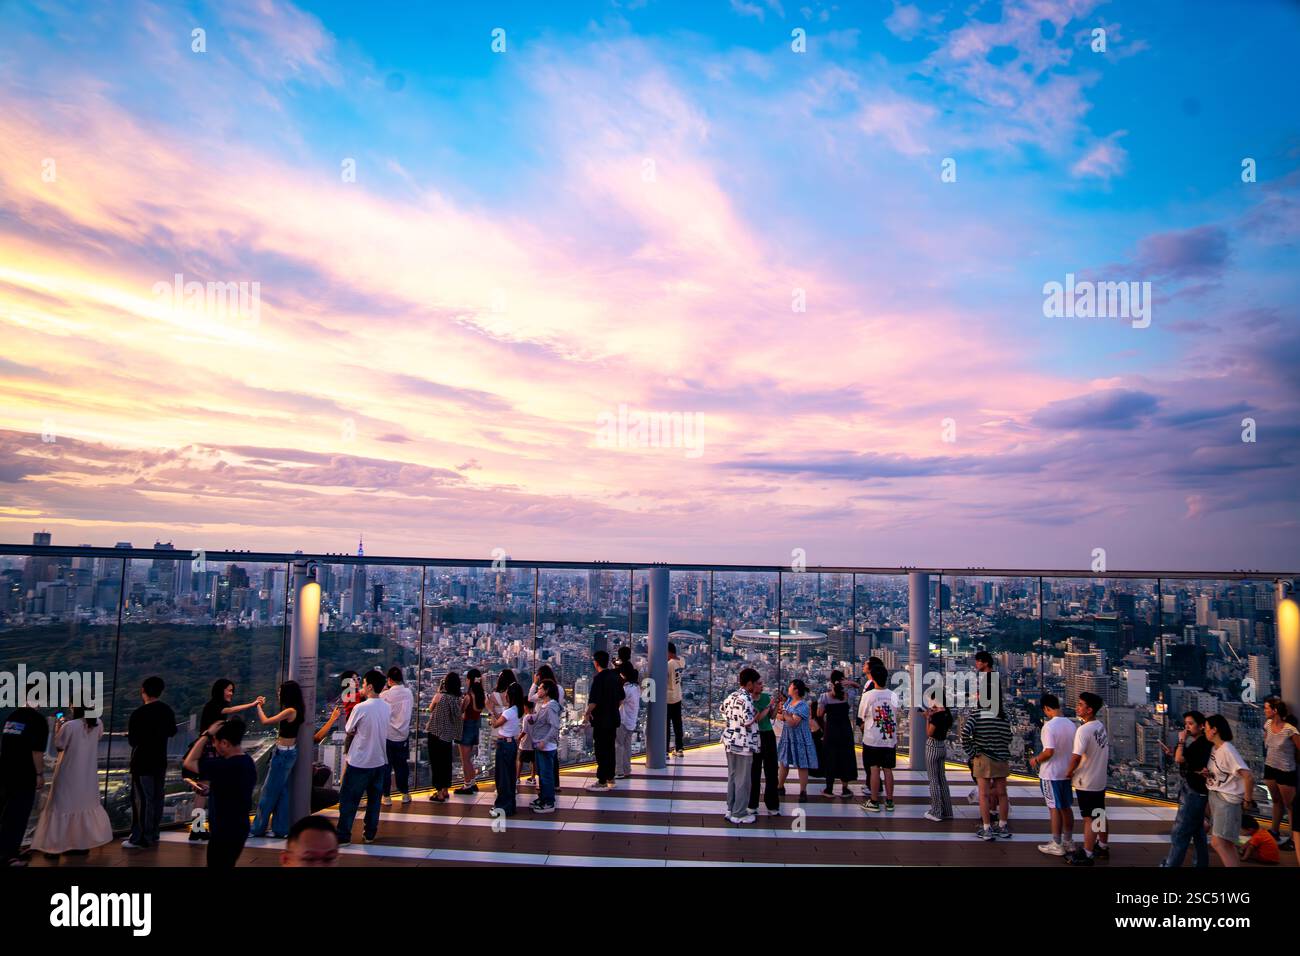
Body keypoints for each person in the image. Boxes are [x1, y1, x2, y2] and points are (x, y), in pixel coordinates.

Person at [31, 708, 112, 858]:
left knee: (60, 807)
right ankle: (79, 844)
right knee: (82, 806)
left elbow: (60, 746)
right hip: (87, 776)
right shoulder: (98, 723)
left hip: (68, 773)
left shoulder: (70, 726)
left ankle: (55, 847)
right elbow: (97, 737)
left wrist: (58, 728)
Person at [187, 679, 261, 841]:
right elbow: (232, 709)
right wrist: (253, 704)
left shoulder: (211, 706)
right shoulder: (215, 706)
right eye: (229, 690)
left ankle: (197, 829)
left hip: (207, 748)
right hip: (209, 749)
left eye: (232, 690)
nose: (231, 693)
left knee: (203, 791)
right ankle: (197, 829)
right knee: (203, 791)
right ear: (221, 690)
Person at [183, 718, 256, 868]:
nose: (214, 746)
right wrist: (211, 791)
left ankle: (197, 831)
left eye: (215, 742)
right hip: (239, 827)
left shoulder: (224, 765)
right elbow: (234, 790)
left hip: (224, 831)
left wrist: (205, 735)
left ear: (224, 743)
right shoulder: (248, 762)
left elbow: (189, 762)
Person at [334, 671, 392, 846]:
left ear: (370, 686)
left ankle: (343, 835)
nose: (360, 683)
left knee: (349, 799)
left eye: (363, 681)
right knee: (374, 801)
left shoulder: (360, 707)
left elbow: (349, 728)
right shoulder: (387, 706)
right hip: (380, 759)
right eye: (356, 679)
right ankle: (369, 834)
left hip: (360, 760)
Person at [123, 676, 176, 849]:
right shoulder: (167, 710)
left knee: (142, 799)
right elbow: (172, 731)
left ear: (143, 691)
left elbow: (133, 741)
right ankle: (153, 833)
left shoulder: (138, 713)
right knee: (157, 797)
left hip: (141, 762)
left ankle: (141, 837)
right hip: (160, 760)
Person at [250, 680, 305, 838]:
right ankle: (281, 829)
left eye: (281, 692)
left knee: (268, 792)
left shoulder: (289, 711)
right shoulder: (298, 709)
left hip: (282, 754)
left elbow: (266, 721)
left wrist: (258, 706)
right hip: (289, 752)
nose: (278, 694)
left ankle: (258, 828)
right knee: (283, 792)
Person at [960, 680, 1013, 841]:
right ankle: (1003, 826)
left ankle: (987, 828)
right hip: (1001, 757)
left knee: (983, 795)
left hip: (983, 758)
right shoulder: (1003, 716)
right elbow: (1009, 738)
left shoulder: (977, 714)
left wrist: (973, 752)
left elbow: (964, 734)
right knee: (1002, 794)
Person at [1159, 710, 1212, 868]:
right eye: (1185, 724)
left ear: (1202, 726)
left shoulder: (1201, 743)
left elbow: (1180, 758)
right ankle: (1201, 864)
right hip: (1193, 789)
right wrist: (1176, 749)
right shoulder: (1195, 742)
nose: (1187, 728)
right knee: (1197, 832)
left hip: (1194, 791)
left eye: (1190, 724)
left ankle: (1171, 865)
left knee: (1180, 832)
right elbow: (1183, 758)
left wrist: (1181, 742)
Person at [1203, 713, 1255, 869]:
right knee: (1226, 843)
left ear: (1214, 730)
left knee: (1218, 842)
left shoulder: (1227, 749)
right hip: (1217, 797)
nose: (1205, 731)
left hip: (1227, 801)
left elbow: (1248, 776)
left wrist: (1247, 800)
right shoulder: (1215, 748)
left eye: (1206, 728)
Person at [1063, 692, 1110, 865]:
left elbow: (1075, 757)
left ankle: (1088, 854)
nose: (1078, 707)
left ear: (1089, 710)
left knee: (1089, 818)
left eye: (1081, 704)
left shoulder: (1083, 730)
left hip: (1086, 780)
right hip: (1099, 779)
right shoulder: (1099, 726)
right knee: (1099, 814)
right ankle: (1103, 846)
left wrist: (1068, 773)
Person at [1027, 693, 1075, 855]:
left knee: (1053, 808)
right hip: (1066, 772)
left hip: (1051, 774)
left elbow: (1049, 751)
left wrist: (1036, 760)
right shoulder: (1071, 724)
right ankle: (1068, 841)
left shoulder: (1049, 726)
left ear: (1047, 709)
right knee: (1066, 808)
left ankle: (1056, 842)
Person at [0, 704, 48, 866]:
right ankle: (10, 855)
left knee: (6, 814)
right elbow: (37, 752)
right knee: (18, 815)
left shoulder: (12, 717)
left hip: (6, 771)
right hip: (24, 774)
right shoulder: (38, 720)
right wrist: (39, 774)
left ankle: (6, 851)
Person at [858, 662, 899, 813]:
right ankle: (889, 801)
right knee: (888, 770)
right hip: (889, 737)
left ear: (873, 678)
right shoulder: (893, 695)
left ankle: (874, 801)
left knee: (874, 769)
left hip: (872, 738)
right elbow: (895, 714)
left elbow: (861, 716)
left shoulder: (868, 696)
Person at [720, 668, 760, 824]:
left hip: (730, 740)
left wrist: (733, 721)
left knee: (733, 776)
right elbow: (748, 721)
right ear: (749, 683)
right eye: (756, 683)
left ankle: (730, 809)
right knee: (743, 779)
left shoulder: (732, 696)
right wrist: (758, 713)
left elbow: (722, 710)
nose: (757, 686)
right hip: (744, 743)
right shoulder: (747, 699)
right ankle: (739, 813)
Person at [583, 651, 625, 791]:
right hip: (613, 718)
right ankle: (610, 778)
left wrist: (587, 713)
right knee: (610, 748)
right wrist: (613, 708)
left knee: (601, 750)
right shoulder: (615, 676)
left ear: (596, 663)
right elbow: (621, 698)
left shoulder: (599, 678)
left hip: (601, 720)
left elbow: (594, 701)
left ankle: (601, 780)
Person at [1261, 697, 1298, 849]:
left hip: (1285, 770)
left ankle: (1294, 838)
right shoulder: (1268, 724)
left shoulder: (1290, 729)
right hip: (1270, 766)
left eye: (1266, 708)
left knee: (1290, 805)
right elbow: (1266, 743)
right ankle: (1274, 831)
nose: (1264, 710)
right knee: (1276, 801)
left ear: (1275, 710)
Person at [817, 671, 857, 798]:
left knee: (830, 758)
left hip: (831, 731)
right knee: (845, 758)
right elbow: (857, 687)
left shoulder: (824, 697)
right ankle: (845, 789)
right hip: (845, 731)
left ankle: (829, 789)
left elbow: (819, 714)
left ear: (831, 682)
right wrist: (849, 683)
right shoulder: (847, 695)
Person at [775, 679, 816, 802]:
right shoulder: (789, 702)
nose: (789, 688)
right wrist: (782, 713)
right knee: (784, 762)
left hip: (799, 737)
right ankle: (780, 786)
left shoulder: (802, 705)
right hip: (788, 736)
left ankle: (803, 791)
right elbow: (783, 717)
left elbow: (793, 722)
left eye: (790, 686)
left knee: (802, 765)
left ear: (796, 690)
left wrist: (785, 714)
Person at [426, 672, 463, 802]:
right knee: (446, 762)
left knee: (436, 763)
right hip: (448, 735)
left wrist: (439, 692)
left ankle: (439, 792)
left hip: (435, 733)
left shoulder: (439, 696)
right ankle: (446, 790)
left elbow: (430, 709)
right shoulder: (457, 699)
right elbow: (458, 716)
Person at [747, 672, 779, 816]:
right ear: (751, 685)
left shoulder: (766, 697)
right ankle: (752, 804)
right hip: (756, 735)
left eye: (761, 683)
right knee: (754, 771)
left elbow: (771, 717)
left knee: (771, 770)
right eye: (759, 683)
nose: (761, 686)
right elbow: (757, 718)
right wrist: (768, 707)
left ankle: (772, 804)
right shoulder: (748, 701)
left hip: (768, 734)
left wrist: (776, 706)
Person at [380, 666, 413, 806]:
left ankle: (386, 796)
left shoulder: (385, 695)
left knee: (386, 767)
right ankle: (405, 793)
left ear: (389, 680)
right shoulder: (409, 692)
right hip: (403, 735)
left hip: (387, 736)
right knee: (401, 766)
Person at [491, 682, 525, 816]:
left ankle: (502, 807)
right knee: (509, 776)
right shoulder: (517, 710)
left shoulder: (509, 712)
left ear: (510, 695)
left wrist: (490, 709)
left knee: (502, 777)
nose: (504, 694)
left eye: (506, 692)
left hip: (504, 745)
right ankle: (510, 805)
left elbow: (495, 724)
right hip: (512, 745)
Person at [529, 679, 561, 814]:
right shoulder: (544, 705)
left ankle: (548, 802)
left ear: (547, 691)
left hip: (546, 747)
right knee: (542, 774)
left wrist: (544, 741)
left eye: (541, 688)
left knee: (546, 775)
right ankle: (543, 797)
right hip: (541, 745)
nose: (538, 691)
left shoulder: (550, 707)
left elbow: (555, 726)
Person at [454, 669, 486, 795]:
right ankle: (472, 782)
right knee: (469, 759)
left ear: (470, 680)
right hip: (475, 727)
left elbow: (460, 712)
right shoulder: (481, 696)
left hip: (466, 727)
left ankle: (467, 784)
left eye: (467, 679)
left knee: (465, 759)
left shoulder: (468, 697)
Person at [922, 701, 954, 822]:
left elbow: (929, 733)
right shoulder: (947, 714)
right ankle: (947, 811)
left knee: (933, 780)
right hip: (942, 747)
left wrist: (927, 718)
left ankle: (936, 811)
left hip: (932, 746)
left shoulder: (936, 716)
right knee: (942, 779)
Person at [616, 662, 641, 779]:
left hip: (623, 720)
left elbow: (619, 702)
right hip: (632, 720)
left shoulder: (627, 689)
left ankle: (619, 770)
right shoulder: (636, 688)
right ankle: (627, 769)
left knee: (619, 745)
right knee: (627, 745)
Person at [666, 642, 685, 757]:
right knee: (678, 724)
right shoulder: (680, 661)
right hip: (678, 696)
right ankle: (679, 748)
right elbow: (681, 659)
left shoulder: (669, 665)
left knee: (666, 726)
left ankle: (665, 751)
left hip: (668, 698)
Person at [517, 698, 537, 789]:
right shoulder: (537, 716)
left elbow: (524, 731)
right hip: (534, 743)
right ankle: (533, 778)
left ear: (525, 706)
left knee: (520, 760)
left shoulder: (526, 717)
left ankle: (517, 778)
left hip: (525, 743)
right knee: (533, 761)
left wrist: (518, 738)